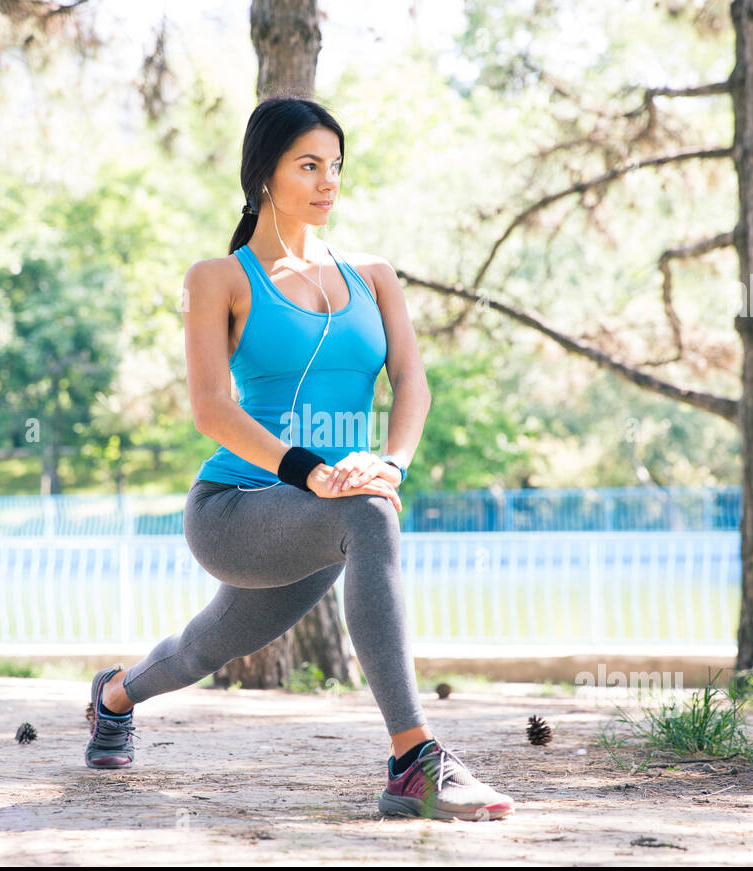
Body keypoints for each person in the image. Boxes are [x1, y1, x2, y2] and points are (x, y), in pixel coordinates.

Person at [84, 95, 515, 822]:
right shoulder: (217, 278)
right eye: (308, 165)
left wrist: (393, 463)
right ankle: (415, 762)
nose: (328, 182)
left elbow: (412, 381)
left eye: (335, 167)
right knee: (368, 514)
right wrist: (311, 472)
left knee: (200, 649)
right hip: (237, 509)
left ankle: (113, 696)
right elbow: (211, 408)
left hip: (327, 507)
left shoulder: (372, 274)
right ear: (264, 175)